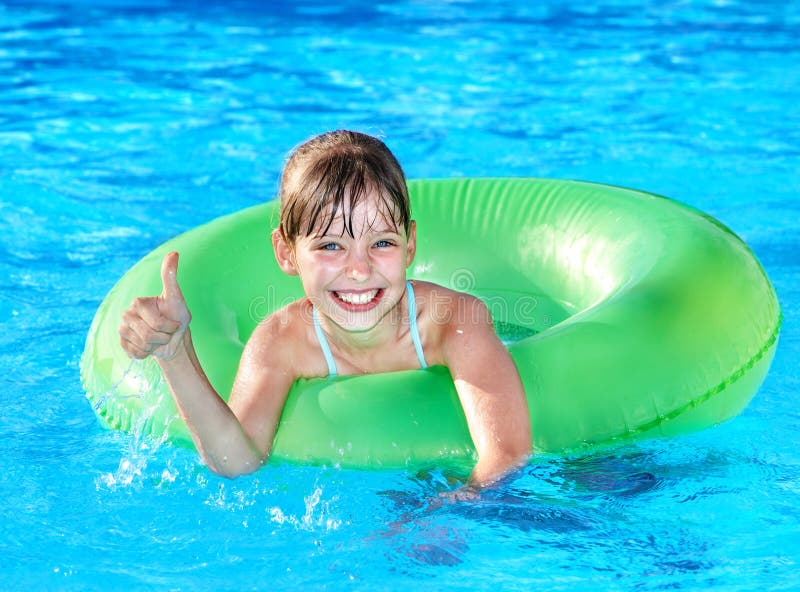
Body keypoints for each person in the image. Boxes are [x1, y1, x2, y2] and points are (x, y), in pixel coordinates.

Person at [118, 130, 531, 488]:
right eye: (331, 246)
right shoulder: (282, 342)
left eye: (382, 242)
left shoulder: (453, 323)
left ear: (411, 244)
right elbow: (238, 462)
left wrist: (447, 509)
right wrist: (175, 354)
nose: (359, 269)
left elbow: (507, 455)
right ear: (286, 251)